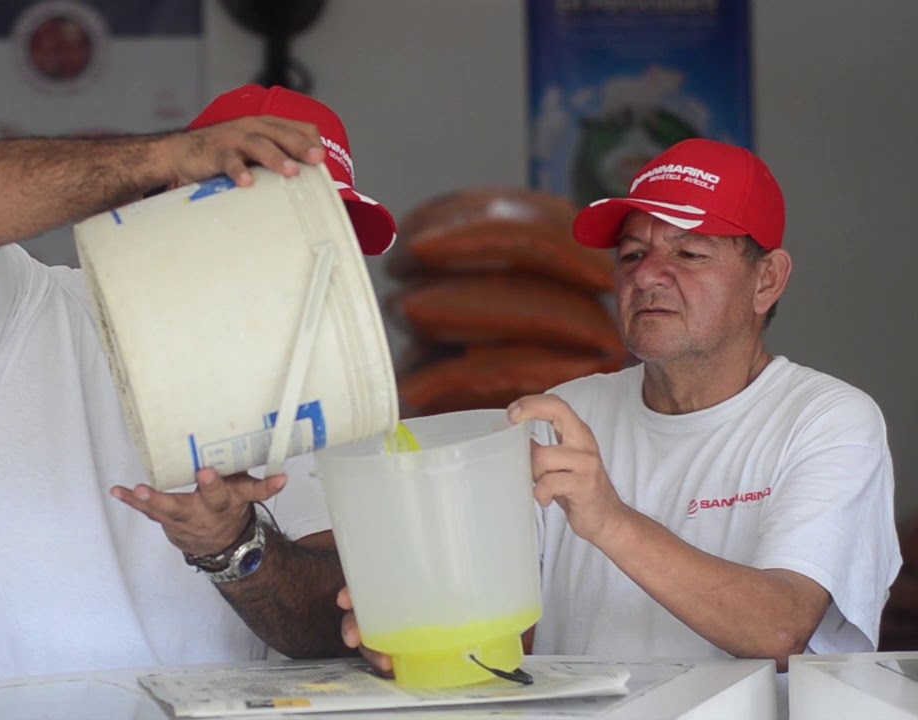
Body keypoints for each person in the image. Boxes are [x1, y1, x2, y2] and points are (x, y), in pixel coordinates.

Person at [0, 84, 397, 692]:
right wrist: (159, 156)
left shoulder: (328, 388)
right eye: (266, 218)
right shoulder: (13, 314)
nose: (298, 256)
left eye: (323, 236)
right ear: (169, 197)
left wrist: (234, 546)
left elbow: (336, 621)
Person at [342, 138, 901, 677]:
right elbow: (472, 598)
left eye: (689, 253)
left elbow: (781, 628)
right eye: (632, 254)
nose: (646, 275)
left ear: (767, 280)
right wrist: (406, 619)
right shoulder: (569, 414)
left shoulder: (826, 419)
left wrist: (608, 518)